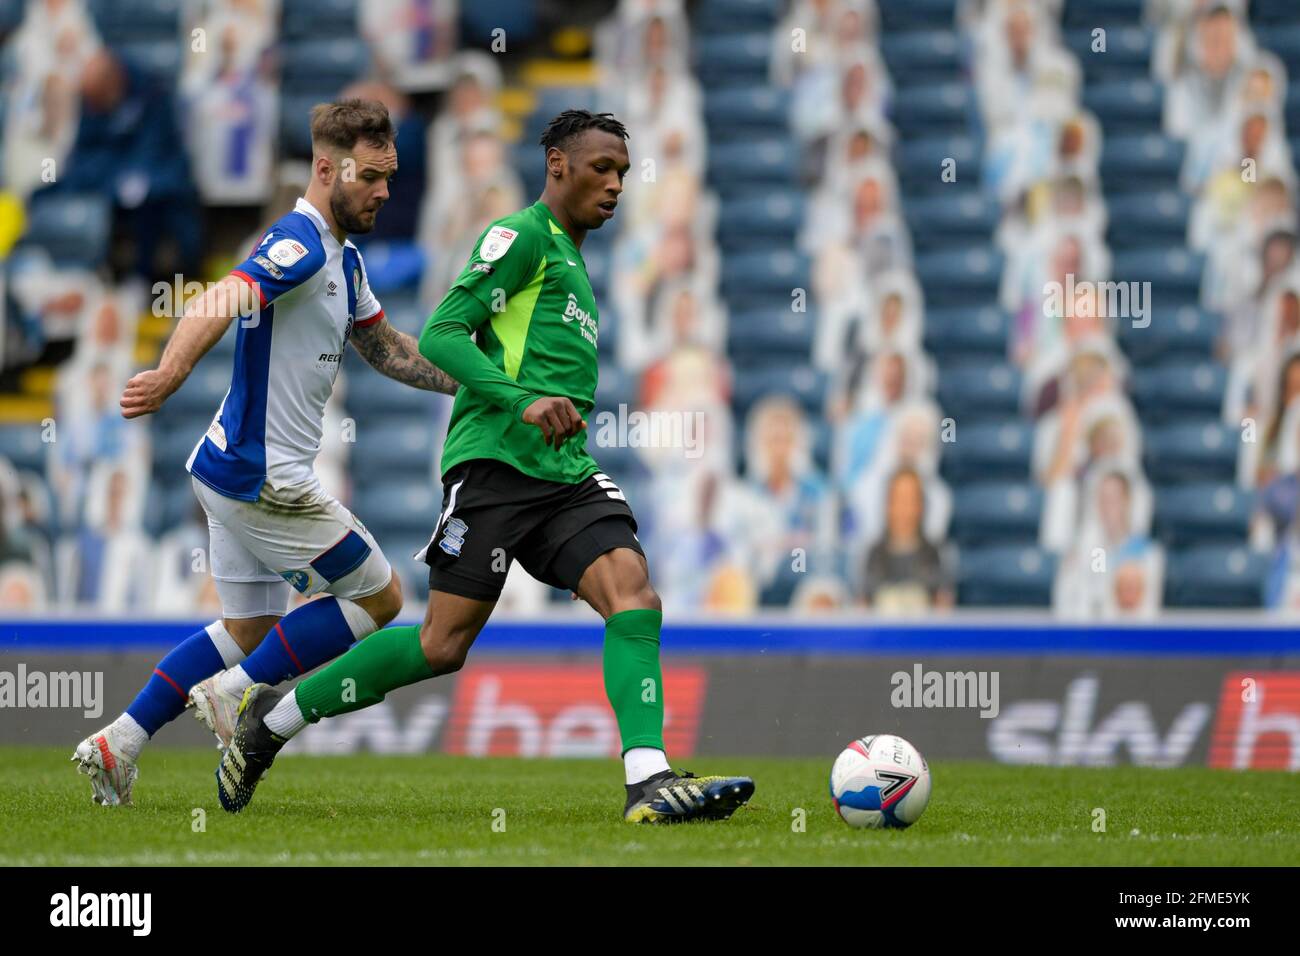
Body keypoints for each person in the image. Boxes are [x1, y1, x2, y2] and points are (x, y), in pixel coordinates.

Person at [215, 109, 755, 824]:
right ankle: (274, 720)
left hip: (562, 474)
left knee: (634, 594)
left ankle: (648, 783)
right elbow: (441, 334)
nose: (617, 183)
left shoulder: (571, 258)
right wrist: (522, 399)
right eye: (602, 167)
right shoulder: (521, 238)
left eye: (624, 170)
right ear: (557, 165)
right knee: (442, 645)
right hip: (495, 465)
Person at [72, 100, 459, 806]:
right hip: (263, 476)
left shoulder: (342, 258)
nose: (383, 192)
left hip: (228, 469)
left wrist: (476, 385)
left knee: (249, 626)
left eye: (390, 178)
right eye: (371, 177)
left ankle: (118, 743)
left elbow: (388, 349)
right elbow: (221, 298)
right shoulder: (300, 243)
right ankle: (241, 693)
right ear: (324, 167)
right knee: (380, 599)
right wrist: (170, 373)